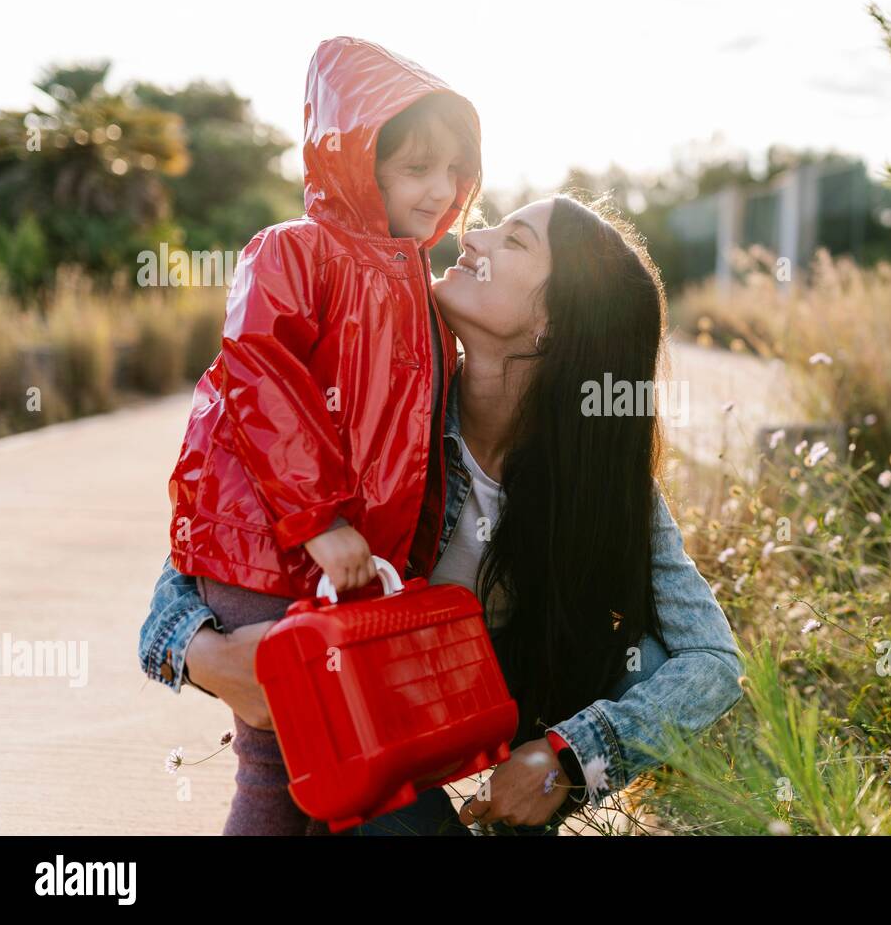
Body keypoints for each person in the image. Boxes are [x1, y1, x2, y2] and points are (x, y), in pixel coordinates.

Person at [141, 194, 746, 836]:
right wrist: (201, 652)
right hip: (376, 709)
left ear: (555, 326)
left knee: (647, 658)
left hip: (501, 703)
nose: (473, 237)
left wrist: (570, 759)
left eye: (515, 241)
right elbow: (215, 547)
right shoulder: (379, 409)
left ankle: (517, 804)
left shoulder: (605, 483)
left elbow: (713, 660)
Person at [160, 36, 481, 834]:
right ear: (356, 161)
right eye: (417, 168)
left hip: (341, 557)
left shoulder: (415, 282)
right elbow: (261, 374)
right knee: (275, 760)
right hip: (271, 546)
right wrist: (322, 519)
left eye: (455, 171)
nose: (441, 190)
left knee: (338, 766)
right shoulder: (294, 251)